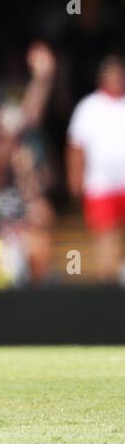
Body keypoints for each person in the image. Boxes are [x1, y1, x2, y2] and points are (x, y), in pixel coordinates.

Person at [67, 55, 125, 284]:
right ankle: (107, 284)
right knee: (105, 234)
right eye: (111, 73)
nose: (116, 78)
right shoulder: (89, 107)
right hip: (100, 182)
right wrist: (75, 178)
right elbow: (76, 146)